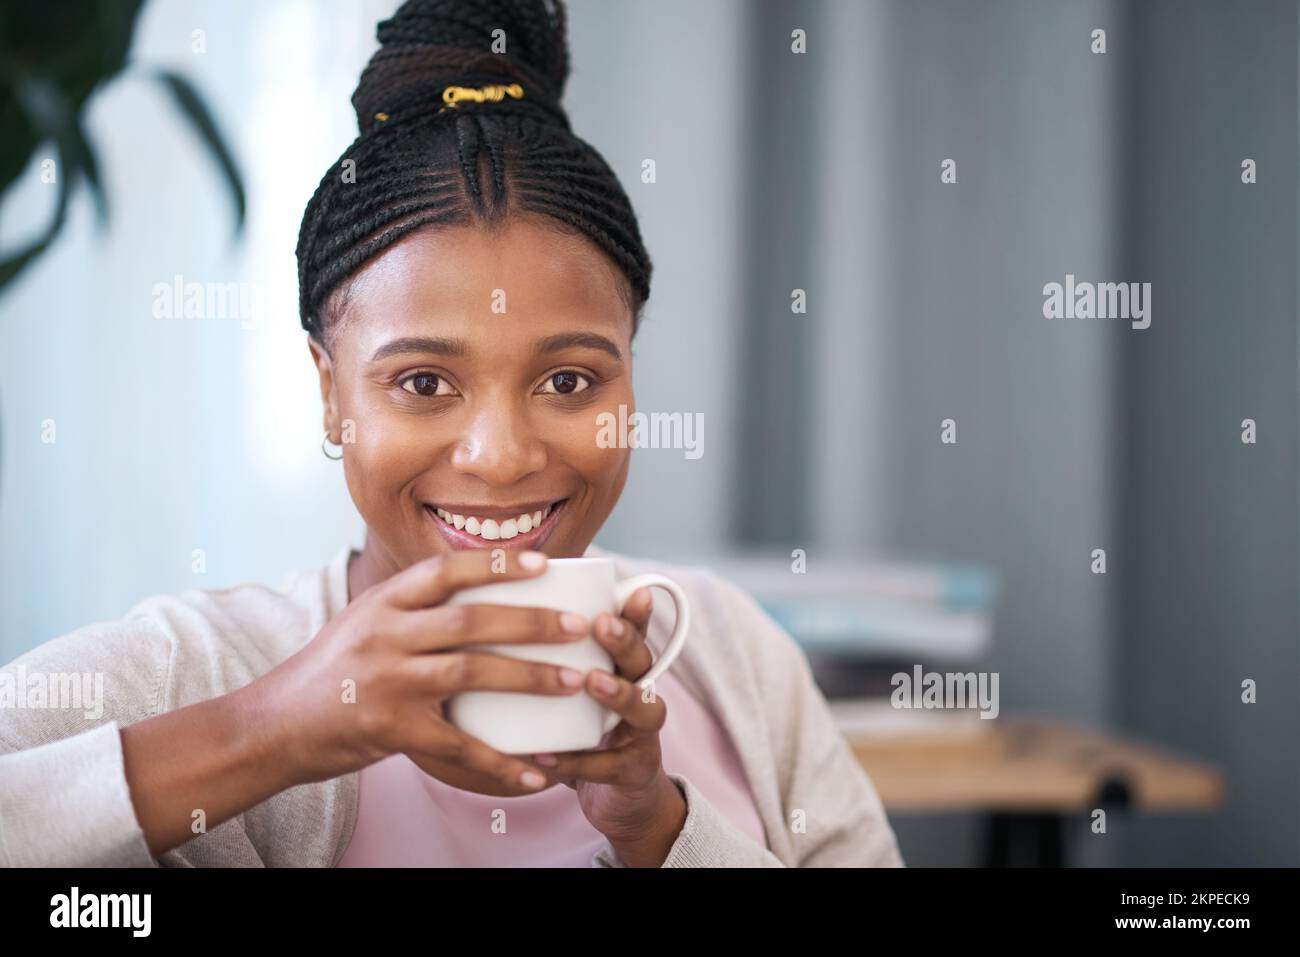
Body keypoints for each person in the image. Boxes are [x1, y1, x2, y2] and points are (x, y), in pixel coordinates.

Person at [0, 0, 902, 868]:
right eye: (424, 382)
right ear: (330, 393)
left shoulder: (727, 652)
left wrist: (660, 830)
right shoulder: (192, 671)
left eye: (568, 380)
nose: (503, 456)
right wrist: (274, 727)